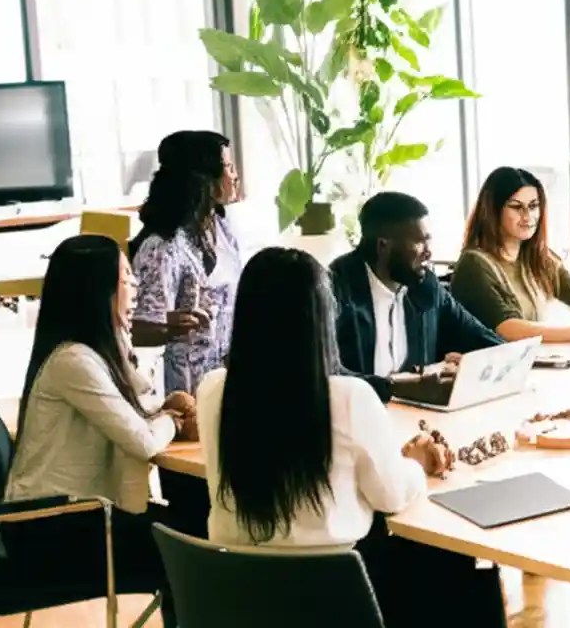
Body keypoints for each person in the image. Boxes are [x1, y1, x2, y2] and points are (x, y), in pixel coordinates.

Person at [197, 247, 505, 626]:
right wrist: (416, 463)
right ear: (320, 319)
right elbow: (391, 495)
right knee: (460, 567)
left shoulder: (213, 391)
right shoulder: (347, 398)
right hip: (336, 600)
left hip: (237, 597)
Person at [5, 234, 193, 627]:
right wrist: (172, 421)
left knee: (188, 526)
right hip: (48, 531)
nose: (135, 285)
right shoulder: (73, 361)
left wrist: (163, 411)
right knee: (187, 544)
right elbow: (142, 441)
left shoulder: (91, 354)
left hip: (72, 518)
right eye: (126, 278)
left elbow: (135, 413)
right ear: (97, 290)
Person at [330, 191, 503, 402]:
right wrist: (396, 388)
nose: (429, 253)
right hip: (357, 413)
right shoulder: (335, 290)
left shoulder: (424, 284)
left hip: (416, 414)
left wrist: (475, 362)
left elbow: (480, 338)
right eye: (420, 242)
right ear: (383, 245)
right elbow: (328, 372)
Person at [450, 167, 570, 342]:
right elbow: (509, 329)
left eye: (533, 206)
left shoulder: (537, 257)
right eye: (516, 207)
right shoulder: (474, 263)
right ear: (493, 210)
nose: (528, 216)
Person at [131, 130, 243, 394]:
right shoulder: (162, 248)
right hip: (188, 390)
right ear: (204, 179)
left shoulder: (222, 227)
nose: (235, 176)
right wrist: (167, 325)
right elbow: (135, 327)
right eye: (228, 167)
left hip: (226, 379)